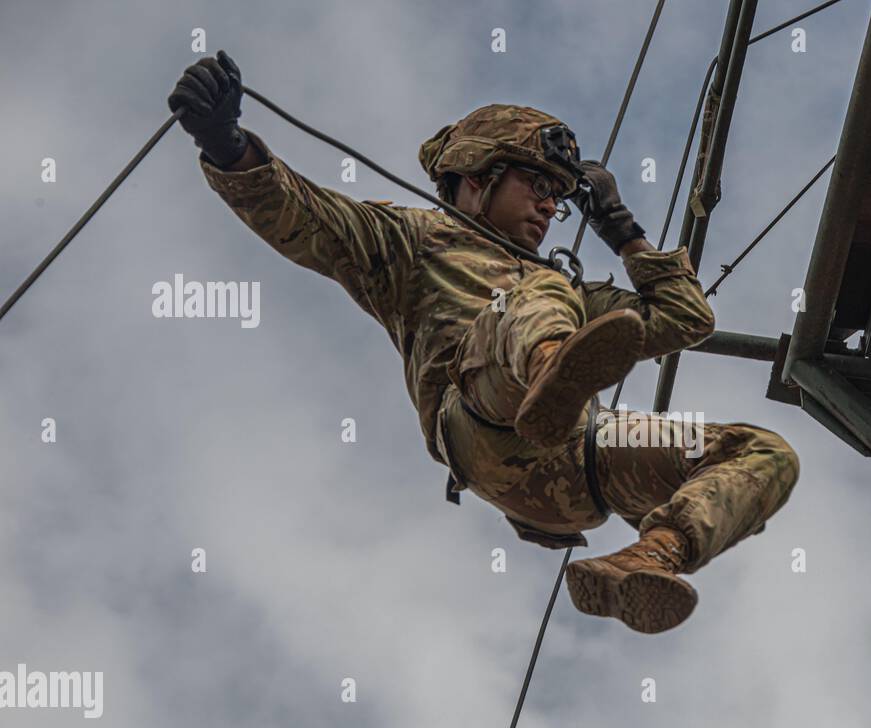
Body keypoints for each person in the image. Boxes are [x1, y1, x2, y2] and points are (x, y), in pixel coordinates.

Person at [167, 51, 799, 633]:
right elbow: (304, 216)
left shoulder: (566, 289)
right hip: (481, 427)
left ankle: (648, 558)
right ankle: (549, 371)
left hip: (579, 464)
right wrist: (225, 144)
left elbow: (686, 319)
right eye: (538, 185)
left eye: (561, 195)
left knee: (763, 452)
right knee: (534, 300)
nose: (552, 208)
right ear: (477, 177)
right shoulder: (413, 240)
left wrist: (620, 228)